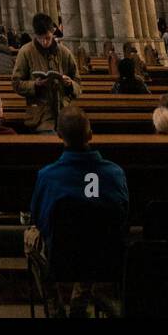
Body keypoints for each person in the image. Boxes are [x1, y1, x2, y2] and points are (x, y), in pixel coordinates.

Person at [26, 106, 128, 267]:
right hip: (107, 257)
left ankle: (58, 290)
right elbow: (123, 215)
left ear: (59, 135)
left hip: (63, 259)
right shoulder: (115, 173)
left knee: (30, 233)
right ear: (90, 135)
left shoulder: (47, 176)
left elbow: (40, 220)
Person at [12, 13, 81, 132]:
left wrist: (70, 84)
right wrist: (35, 85)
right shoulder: (26, 52)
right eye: (40, 38)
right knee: (50, 137)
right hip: (40, 114)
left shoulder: (65, 52)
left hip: (64, 111)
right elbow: (16, 83)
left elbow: (78, 83)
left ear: (53, 32)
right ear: (35, 35)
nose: (44, 42)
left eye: (48, 38)